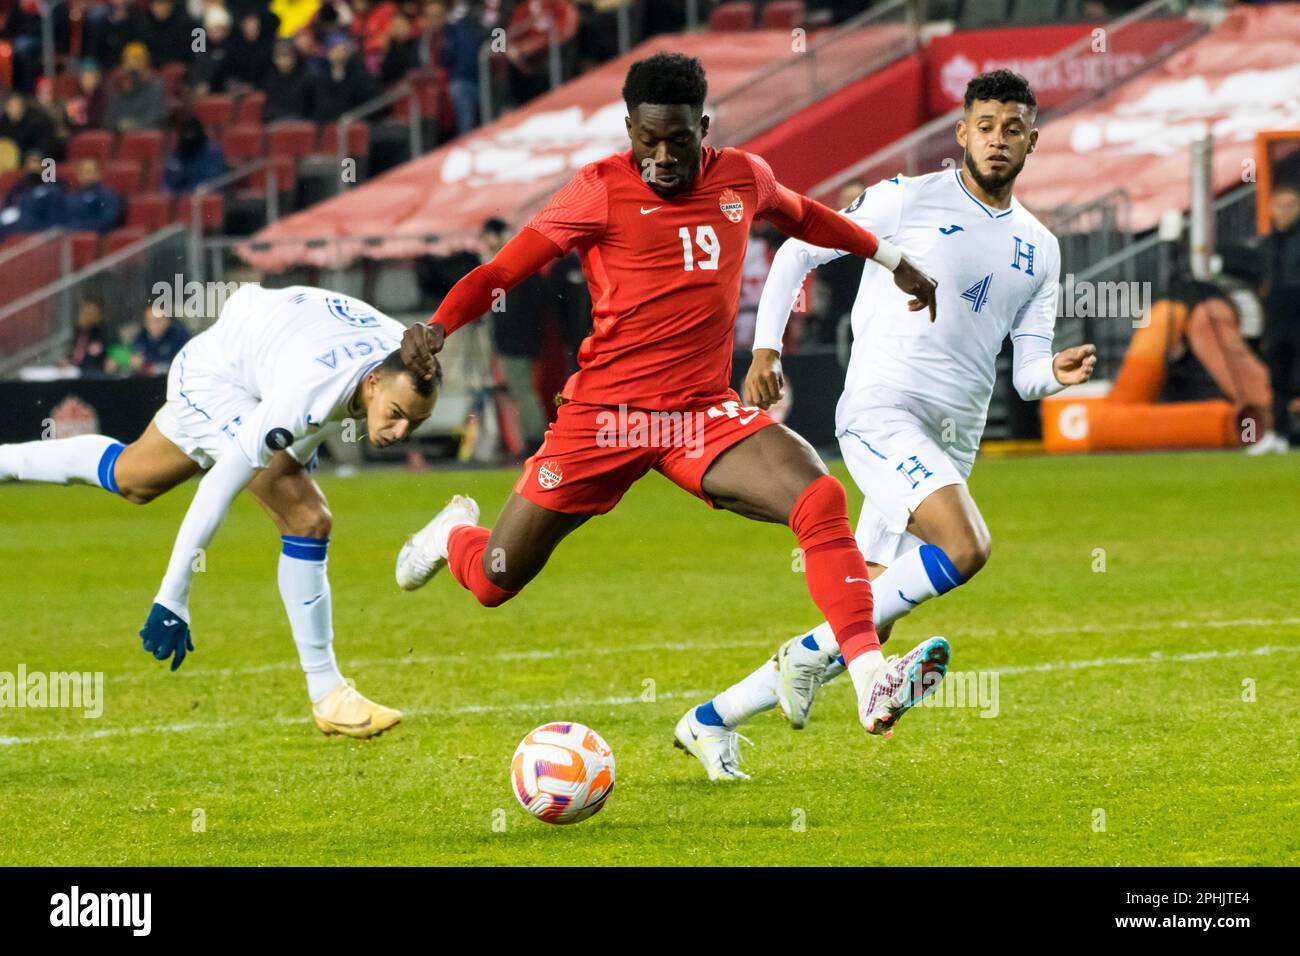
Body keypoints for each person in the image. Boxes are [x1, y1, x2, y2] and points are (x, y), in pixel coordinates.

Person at [394, 53, 945, 756]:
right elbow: (506, 268)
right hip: (602, 420)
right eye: (646, 139)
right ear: (628, 127)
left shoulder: (744, 176)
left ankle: (871, 674)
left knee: (819, 497)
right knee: (497, 579)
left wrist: (894, 260)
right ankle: (450, 536)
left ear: (702, 127)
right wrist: (437, 326)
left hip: (696, 414)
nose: (660, 157)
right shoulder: (596, 190)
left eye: (676, 140)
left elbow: (807, 217)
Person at [685, 70, 1099, 780]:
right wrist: (766, 347)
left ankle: (711, 719)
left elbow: (1026, 371)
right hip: (882, 413)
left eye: (1013, 129)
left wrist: (1052, 375)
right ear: (963, 133)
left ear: (1032, 140)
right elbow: (797, 250)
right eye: (986, 126)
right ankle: (829, 672)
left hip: (952, 438)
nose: (999, 140)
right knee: (966, 548)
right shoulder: (907, 198)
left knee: (867, 618)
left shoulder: (1041, 246)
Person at [0, 285, 438, 737]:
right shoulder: (311, 392)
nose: (402, 431)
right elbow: (217, 486)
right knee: (307, 517)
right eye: (397, 413)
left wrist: (299, 445)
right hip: (216, 380)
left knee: (133, 478)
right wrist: (173, 596)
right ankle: (328, 694)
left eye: (416, 423)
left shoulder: (408, 352)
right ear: (372, 383)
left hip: (244, 351)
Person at [479, 216, 548, 454]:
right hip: (525, 338)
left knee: (522, 391)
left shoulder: (509, 263)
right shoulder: (522, 260)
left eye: (487, 236)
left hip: (517, 341)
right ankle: (533, 438)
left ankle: (535, 440)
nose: (486, 242)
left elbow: (508, 309)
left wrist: (504, 339)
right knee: (523, 390)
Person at [1257, 182, 1300, 452]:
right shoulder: (1266, 244)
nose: (1284, 211)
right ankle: (1280, 433)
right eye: (1279, 205)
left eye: (1290, 205)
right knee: (1278, 379)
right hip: (1276, 321)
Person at [0, 150, 67, 234]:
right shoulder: (18, 188)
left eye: (36, 162)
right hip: (14, 229)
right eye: (29, 163)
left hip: (39, 231)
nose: (32, 166)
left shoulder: (53, 188)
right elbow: (7, 207)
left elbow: (54, 217)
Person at [106, 43, 167, 133]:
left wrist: (135, 126)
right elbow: (110, 116)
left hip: (145, 133)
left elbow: (156, 116)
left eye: (138, 60)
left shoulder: (155, 85)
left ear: (145, 62)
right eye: (130, 60)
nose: (134, 65)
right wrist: (119, 124)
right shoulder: (117, 84)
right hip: (120, 133)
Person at [163, 117, 228, 194]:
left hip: (210, 196)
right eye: (186, 133)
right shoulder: (175, 159)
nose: (189, 137)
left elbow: (221, 180)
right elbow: (169, 188)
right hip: (184, 200)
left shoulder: (214, 153)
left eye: (192, 133)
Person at [63, 157, 124, 233]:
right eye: (84, 172)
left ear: (99, 173)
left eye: (91, 171)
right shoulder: (70, 198)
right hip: (72, 237)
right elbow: (64, 222)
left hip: (98, 237)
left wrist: (83, 230)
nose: (88, 175)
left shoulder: (109, 195)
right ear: (78, 174)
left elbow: (109, 220)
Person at [128, 304, 191, 375]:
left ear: (167, 320)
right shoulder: (141, 336)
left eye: (157, 320)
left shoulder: (180, 336)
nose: (153, 324)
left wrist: (148, 366)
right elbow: (133, 355)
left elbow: (181, 365)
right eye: (149, 320)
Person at [264, 39, 314, 122]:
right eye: (279, 57)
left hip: (300, 123)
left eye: (286, 56)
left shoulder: (306, 80)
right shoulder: (270, 79)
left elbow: (309, 108)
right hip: (276, 123)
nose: (283, 61)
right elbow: (270, 109)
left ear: (295, 57)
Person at [65, 296, 113, 376]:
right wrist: (67, 361)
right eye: (84, 312)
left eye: (91, 312)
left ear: (99, 315)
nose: (87, 315)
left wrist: (74, 365)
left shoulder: (103, 334)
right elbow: (72, 353)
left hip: (94, 376)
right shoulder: (79, 332)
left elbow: (95, 359)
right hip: (74, 373)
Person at [0, 92, 55, 159]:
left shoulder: (37, 121)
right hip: (13, 159)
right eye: (10, 105)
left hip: (36, 156)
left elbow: (44, 143)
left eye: (16, 105)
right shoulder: (3, 122)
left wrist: (36, 155)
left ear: (22, 106)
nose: (13, 108)